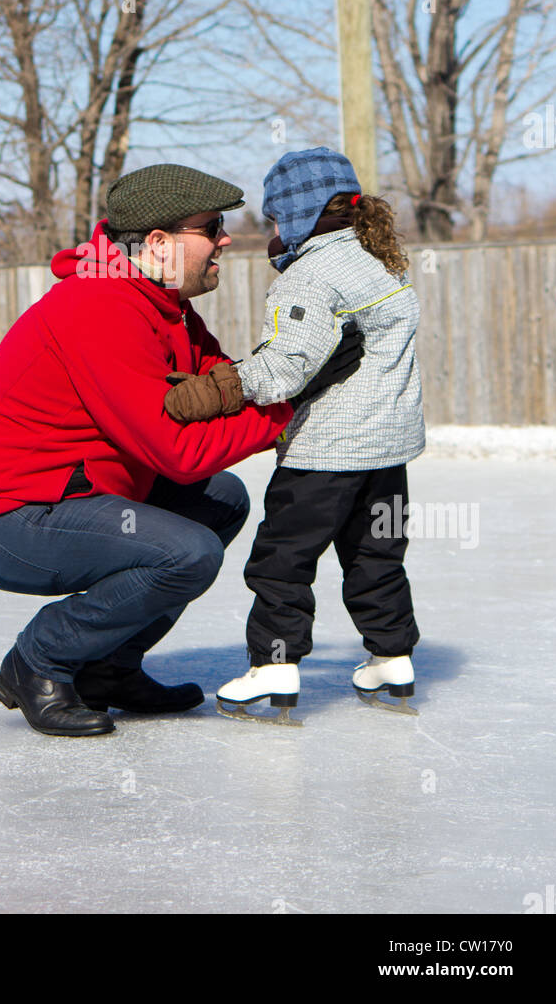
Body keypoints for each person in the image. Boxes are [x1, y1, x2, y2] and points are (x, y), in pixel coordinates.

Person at [0, 163, 362, 738]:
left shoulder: (164, 305)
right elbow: (178, 453)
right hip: (3, 517)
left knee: (222, 500)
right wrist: (285, 410)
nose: (225, 240)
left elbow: (220, 381)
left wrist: (287, 369)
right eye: (212, 228)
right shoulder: (98, 308)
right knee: (186, 553)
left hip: (77, 492)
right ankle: (39, 660)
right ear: (159, 243)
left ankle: (110, 667)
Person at [164, 147, 424, 722]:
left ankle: (274, 670)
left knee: (283, 560)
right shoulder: (377, 261)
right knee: (376, 556)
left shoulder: (310, 276)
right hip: (386, 453)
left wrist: (214, 390)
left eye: (276, 220)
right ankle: (392, 657)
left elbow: (286, 367)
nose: (272, 234)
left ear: (303, 214)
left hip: (325, 453)